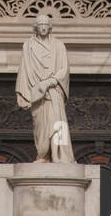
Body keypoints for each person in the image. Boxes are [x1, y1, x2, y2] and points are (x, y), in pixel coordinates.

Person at [14, 12, 75, 162]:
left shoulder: (59, 45)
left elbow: (64, 68)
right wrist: (25, 93)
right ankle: (43, 155)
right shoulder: (28, 46)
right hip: (37, 93)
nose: (43, 28)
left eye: (45, 25)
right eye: (40, 25)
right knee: (40, 127)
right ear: (35, 27)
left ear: (50, 27)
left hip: (54, 90)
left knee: (58, 123)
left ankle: (58, 155)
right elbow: (24, 69)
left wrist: (52, 81)